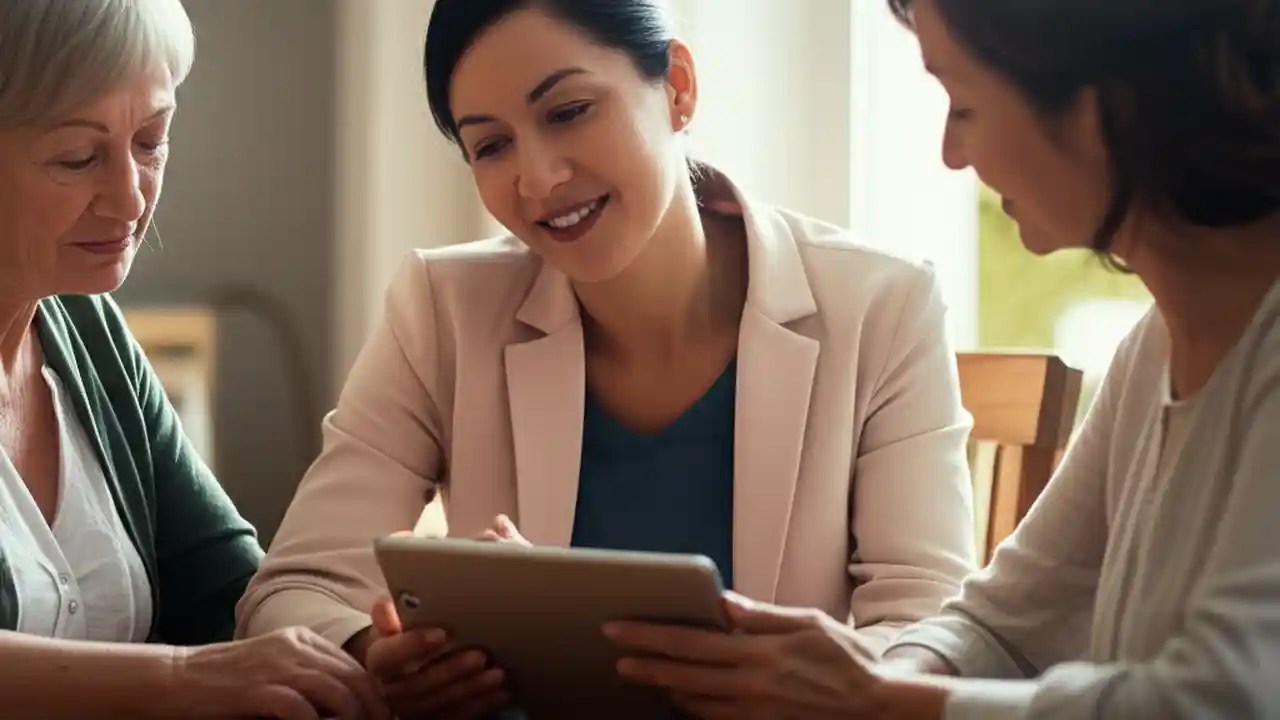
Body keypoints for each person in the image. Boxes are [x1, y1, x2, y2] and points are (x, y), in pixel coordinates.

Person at [237, 0, 980, 716]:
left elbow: (935, 635)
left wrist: (800, 681)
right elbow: (291, 592)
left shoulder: (883, 305)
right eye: (491, 145)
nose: (538, 179)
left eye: (568, 111)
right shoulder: (444, 308)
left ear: (678, 89)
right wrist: (379, 655)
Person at [603, 0, 1280, 718]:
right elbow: (999, 625)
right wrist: (839, 679)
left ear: (1098, 108)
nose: (951, 155)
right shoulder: (1154, 349)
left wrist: (877, 701)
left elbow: (1223, 699)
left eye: (963, 103)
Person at [0, 2, 388, 718]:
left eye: (151, 141)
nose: (130, 198)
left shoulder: (87, 331)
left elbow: (228, 592)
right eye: (78, 157)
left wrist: (372, 652)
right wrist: (180, 678)